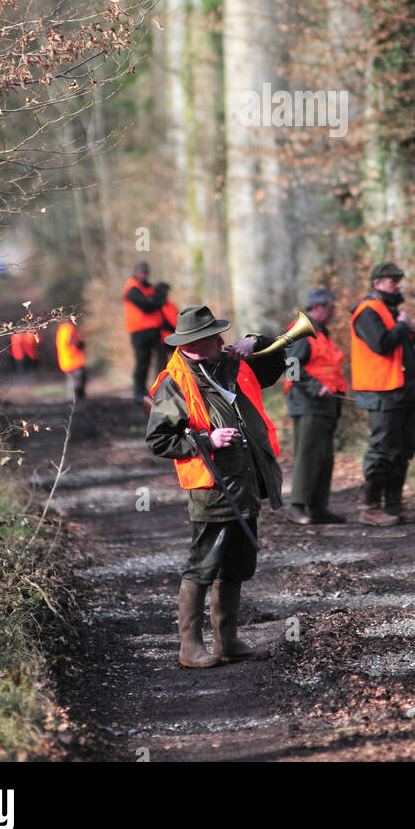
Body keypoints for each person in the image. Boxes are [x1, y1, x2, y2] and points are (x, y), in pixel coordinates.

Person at [145, 304, 286, 669]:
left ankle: (228, 641)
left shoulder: (232, 364)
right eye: (213, 339)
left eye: (221, 336)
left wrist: (254, 341)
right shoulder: (172, 383)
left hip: (247, 482)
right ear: (193, 345)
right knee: (202, 566)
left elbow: (279, 363)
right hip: (212, 486)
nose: (221, 342)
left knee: (238, 565)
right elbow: (159, 441)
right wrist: (206, 441)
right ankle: (190, 648)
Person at [350, 261, 415, 526]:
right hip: (381, 392)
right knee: (383, 449)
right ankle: (370, 507)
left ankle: (394, 505)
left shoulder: (389, 310)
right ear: (377, 284)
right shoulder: (367, 311)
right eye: (393, 281)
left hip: (401, 390)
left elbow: (399, 347)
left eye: (399, 280)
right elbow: (381, 345)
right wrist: (402, 325)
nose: (398, 285)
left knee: (404, 448)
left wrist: (410, 332)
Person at [284, 287, 348, 525]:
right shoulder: (302, 330)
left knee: (324, 456)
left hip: (327, 404)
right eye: (332, 308)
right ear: (319, 307)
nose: (334, 313)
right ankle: (297, 507)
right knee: (308, 455)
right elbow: (290, 365)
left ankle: (318, 507)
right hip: (308, 403)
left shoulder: (322, 332)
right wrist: (314, 387)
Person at [122, 263, 178, 402]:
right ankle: (139, 393)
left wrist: (154, 300)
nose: (144, 275)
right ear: (135, 272)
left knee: (161, 363)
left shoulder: (148, 288)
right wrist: (154, 301)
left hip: (154, 331)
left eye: (146, 272)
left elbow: (157, 301)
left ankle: (160, 390)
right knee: (142, 362)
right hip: (139, 332)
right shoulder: (131, 289)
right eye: (141, 272)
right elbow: (146, 306)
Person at [56, 318, 86, 401]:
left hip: (65, 361)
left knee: (71, 381)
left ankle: (71, 400)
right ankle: (79, 401)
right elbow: (74, 343)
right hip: (74, 360)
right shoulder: (69, 329)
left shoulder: (61, 331)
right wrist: (81, 344)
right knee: (79, 381)